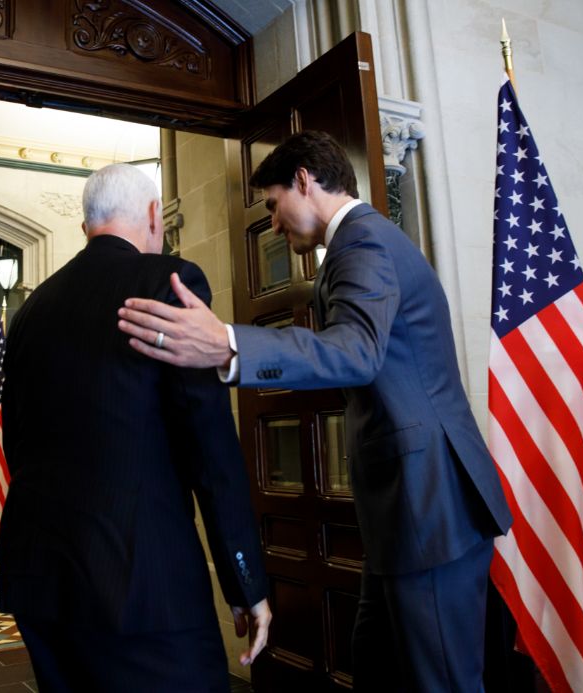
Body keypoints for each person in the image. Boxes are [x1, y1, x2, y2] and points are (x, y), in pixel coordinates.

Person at [116, 131, 513, 692]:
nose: (273, 225)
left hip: (429, 508)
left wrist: (230, 343)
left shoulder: (365, 243)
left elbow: (355, 352)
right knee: (375, 665)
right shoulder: (356, 245)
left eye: (274, 205)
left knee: (440, 682)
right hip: (404, 511)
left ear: (306, 179)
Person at [0, 163, 271, 692]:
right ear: (152, 215)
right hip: (141, 585)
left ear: (85, 228)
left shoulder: (32, 307)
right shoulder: (168, 282)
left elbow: (19, 441)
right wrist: (245, 580)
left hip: (39, 579)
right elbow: (209, 447)